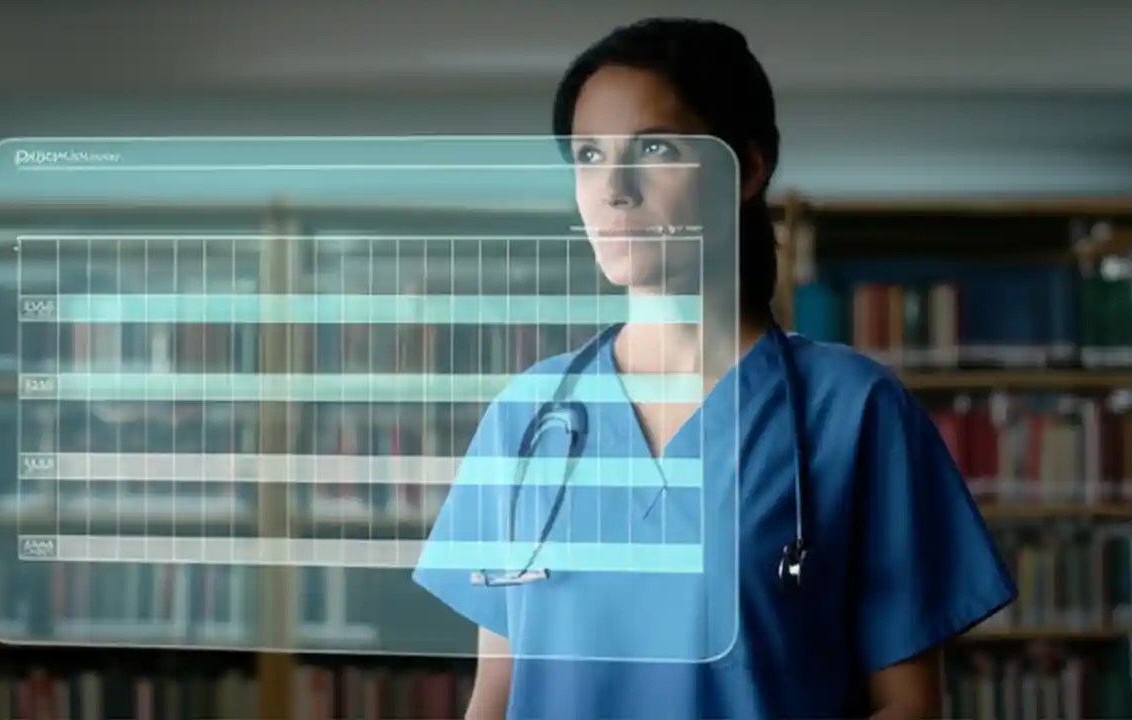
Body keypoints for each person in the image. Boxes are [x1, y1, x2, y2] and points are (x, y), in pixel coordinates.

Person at [412, 17, 1016, 719]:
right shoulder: (525, 418)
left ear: (748, 169)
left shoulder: (854, 412)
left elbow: (908, 706)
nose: (615, 189)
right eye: (588, 155)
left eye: (657, 148)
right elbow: (496, 695)